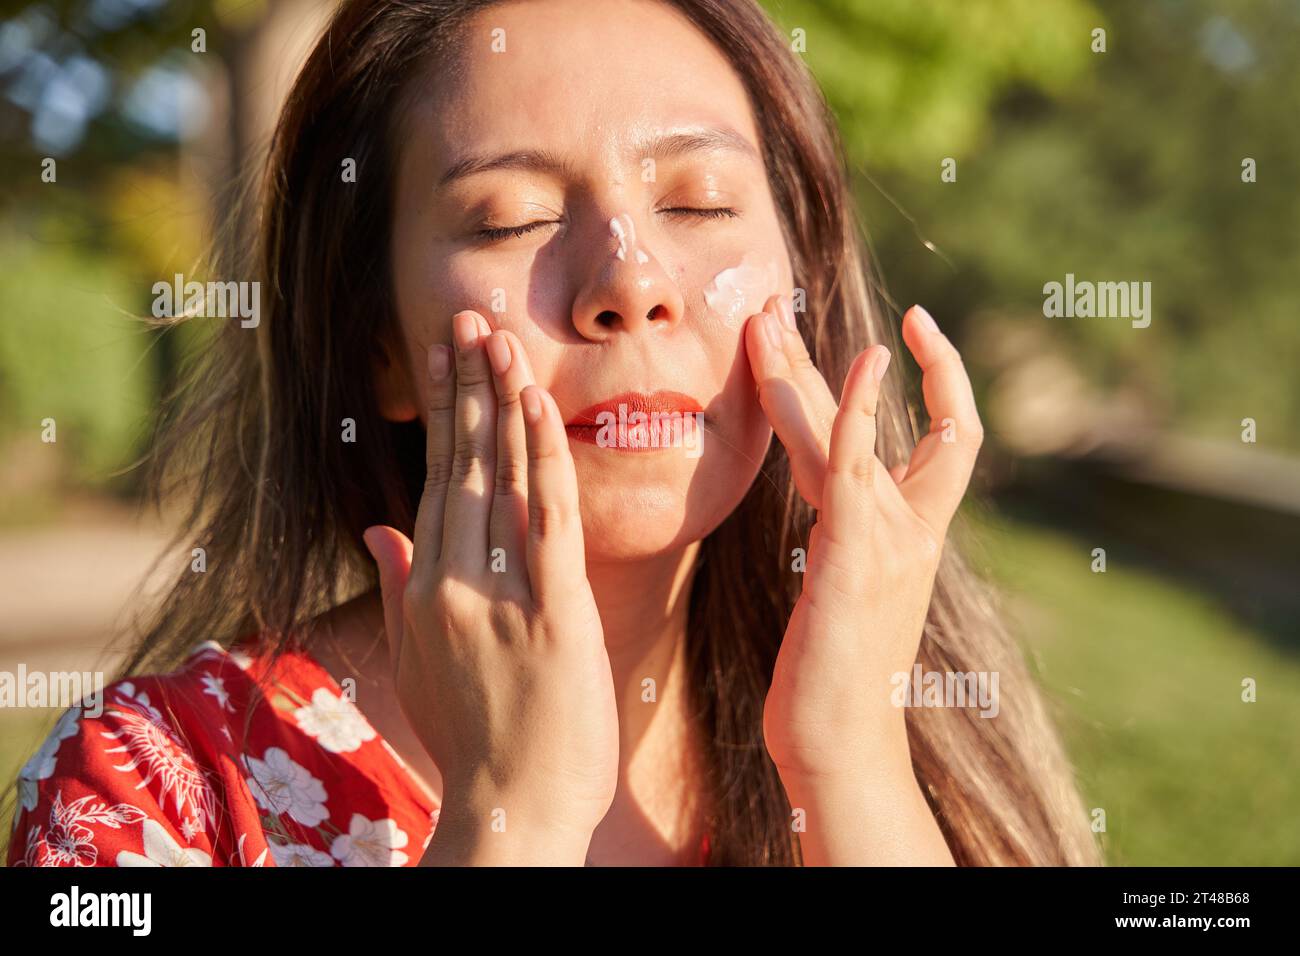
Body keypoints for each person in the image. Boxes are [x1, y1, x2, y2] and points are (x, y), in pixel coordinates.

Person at [5, 0, 1100, 867]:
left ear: (801, 285)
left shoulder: (933, 758)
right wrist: (507, 823)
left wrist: (851, 765)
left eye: (701, 202)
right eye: (511, 217)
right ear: (377, 344)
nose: (627, 282)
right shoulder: (150, 785)